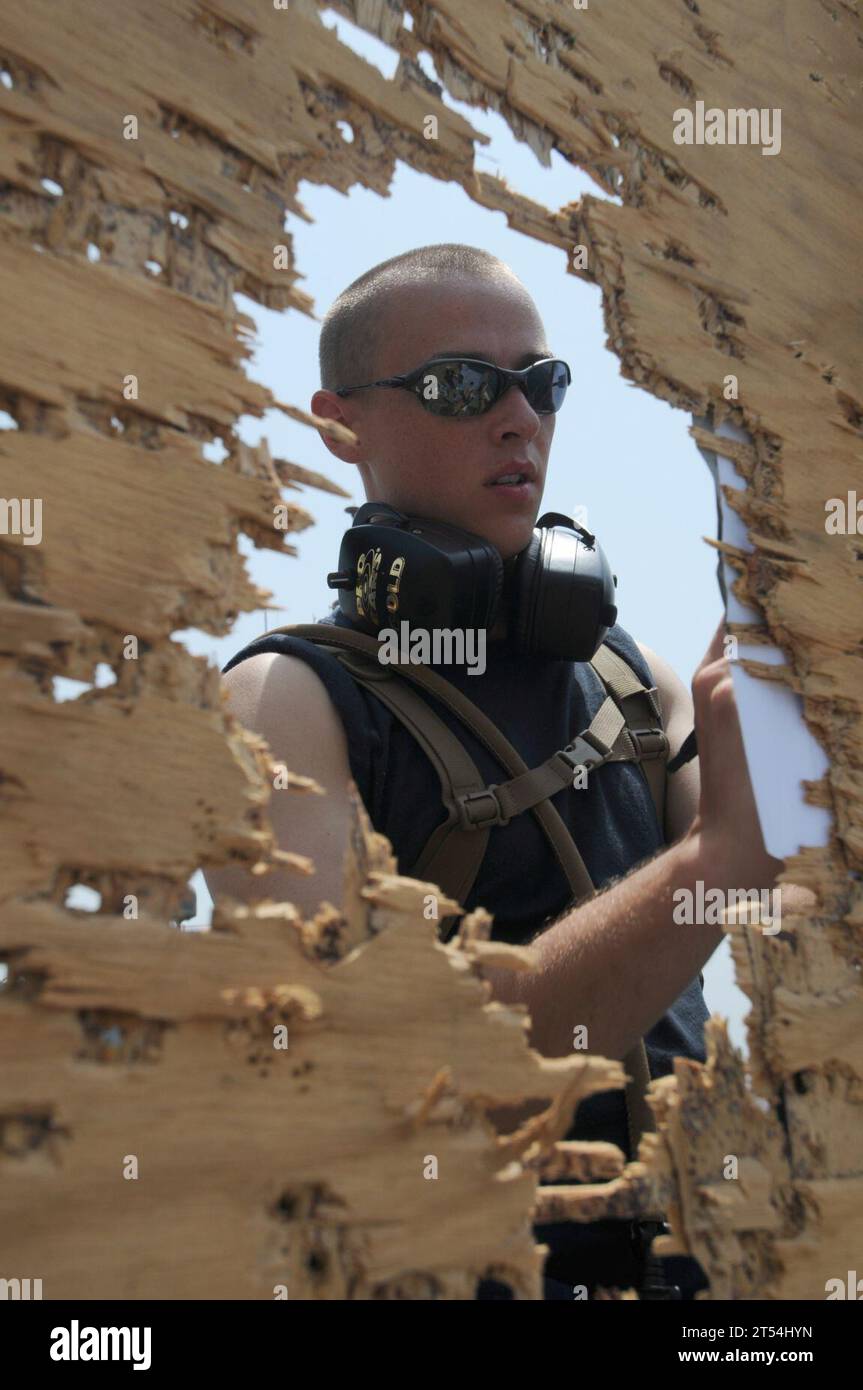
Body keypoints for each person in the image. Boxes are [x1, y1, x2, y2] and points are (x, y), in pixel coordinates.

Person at [205, 243, 799, 1299]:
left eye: (540, 382)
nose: (516, 415)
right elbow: (364, 1093)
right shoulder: (282, 704)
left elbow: (793, 911)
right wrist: (719, 857)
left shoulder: (638, 685)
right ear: (338, 422)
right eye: (460, 386)